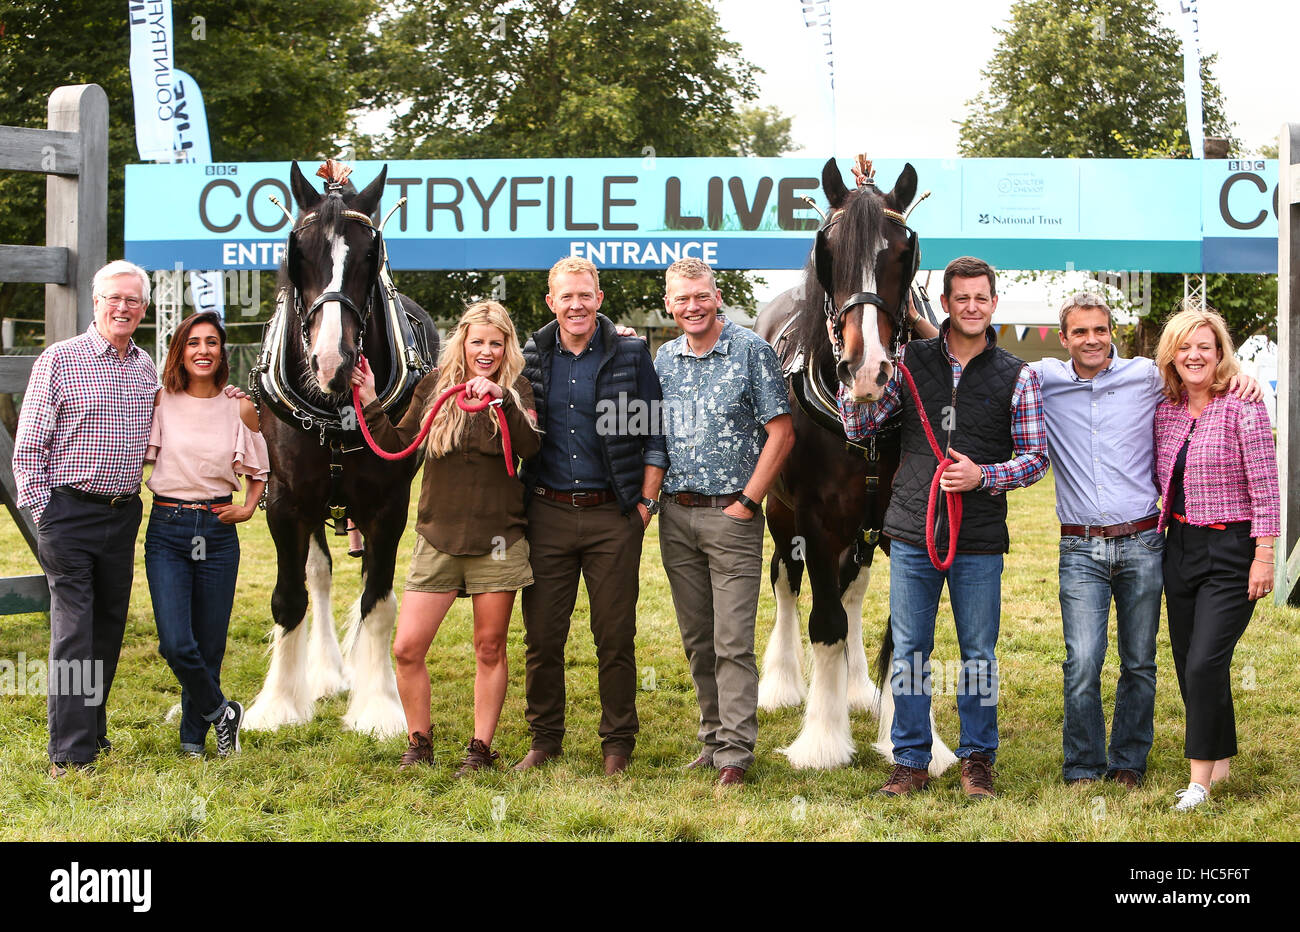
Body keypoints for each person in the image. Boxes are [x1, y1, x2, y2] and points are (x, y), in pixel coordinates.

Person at [837, 255, 1049, 799]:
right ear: (946, 304)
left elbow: (1035, 458)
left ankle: (978, 759)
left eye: (982, 297)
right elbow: (858, 423)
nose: (972, 306)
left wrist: (985, 475)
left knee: (978, 651)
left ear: (993, 304)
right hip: (911, 529)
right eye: (961, 298)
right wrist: (860, 377)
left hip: (977, 534)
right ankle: (910, 758)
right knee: (910, 649)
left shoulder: (1017, 376)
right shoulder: (908, 360)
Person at [1034, 292, 1260, 789]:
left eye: (1100, 329)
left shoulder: (1147, 377)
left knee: (1140, 661)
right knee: (1083, 660)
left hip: (1143, 541)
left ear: (1111, 331)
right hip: (1080, 546)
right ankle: (1084, 765)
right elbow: (976, 358)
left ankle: (1129, 763)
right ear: (1063, 337)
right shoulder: (1041, 379)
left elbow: (1201, 369)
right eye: (1080, 331)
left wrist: (1243, 377)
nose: (1092, 339)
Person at [353, 300, 540, 776]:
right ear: (462, 340)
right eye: (477, 341)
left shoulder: (517, 388)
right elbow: (397, 448)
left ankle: (480, 748)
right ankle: (420, 741)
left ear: (506, 347)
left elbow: (531, 447)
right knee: (407, 647)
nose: (486, 350)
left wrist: (500, 398)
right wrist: (371, 399)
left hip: (498, 539)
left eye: (495, 343)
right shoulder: (433, 385)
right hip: (437, 535)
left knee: (489, 647)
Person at [513, 257, 668, 776]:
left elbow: (654, 434)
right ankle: (544, 738)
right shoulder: (530, 355)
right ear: (550, 301)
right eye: (566, 296)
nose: (576, 305)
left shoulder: (629, 352)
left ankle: (617, 744)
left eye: (585, 295)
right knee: (542, 638)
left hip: (612, 516)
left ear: (598, 298)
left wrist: (646, 505)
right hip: (548, 514)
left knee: (615, 638)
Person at [13, 260, 160, 777]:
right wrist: (44, 513)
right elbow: (28, 447)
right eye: (114, 298)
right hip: (67, 512)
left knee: (107, 628)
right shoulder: (59, 360)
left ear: (144, 309)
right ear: (95, 302)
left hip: (122, 515)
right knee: (75, 629)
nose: (123, 307)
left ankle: (93, 731)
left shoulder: (147, 369)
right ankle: (71, 754)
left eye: (133, 300)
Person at [654, 257, 794, 788]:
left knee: (733, 640)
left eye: (701, 296)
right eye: (681, 298)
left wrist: (750, 501)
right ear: (670, 303)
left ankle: (736, 752)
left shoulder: (752, 352)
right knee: (698, 638)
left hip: (732, 516)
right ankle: (712, 739)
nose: (692, 306)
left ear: (717, 297)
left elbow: (781, 433)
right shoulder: (664, 358)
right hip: (676, 514)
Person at [1153, 306, 1279, 811]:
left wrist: (1264, 555)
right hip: (1177, 546)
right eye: (1184, 346)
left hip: (1233, 551)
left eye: (1205, 345)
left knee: (1205, 661)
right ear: (1172, 355)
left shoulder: (1244, 405)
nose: (1194, 354)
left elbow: (1267, 489)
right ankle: (1220, 756)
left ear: (1221, 352)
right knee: (1190, 662)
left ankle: (1199, 782)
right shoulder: (1166, 407)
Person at [144, 312, 268, 758]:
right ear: (180, 351)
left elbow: (260, 466)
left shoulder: (240, 406)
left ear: (222, 352)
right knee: (175, 642)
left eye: (212, 342)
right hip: (167, 529)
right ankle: (222, 711)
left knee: (209, 641)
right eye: (193, 342)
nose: (203, 350)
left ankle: (193, 740)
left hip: (216, 532)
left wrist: (250, 506)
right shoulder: (160, 400)